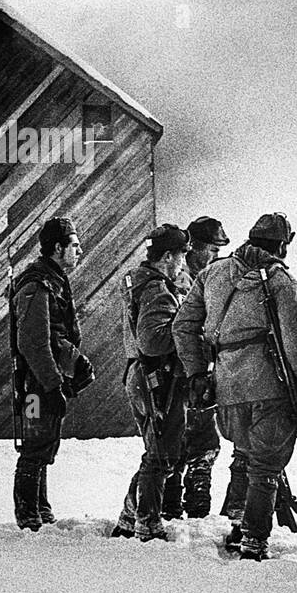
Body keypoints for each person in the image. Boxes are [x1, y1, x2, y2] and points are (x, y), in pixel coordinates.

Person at [172, 213, 297, 560]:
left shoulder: (212, 273)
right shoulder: (281, 281)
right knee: (265, 469)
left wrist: (198, 372)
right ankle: (254, 541)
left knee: (247, 456)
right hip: (269, 390)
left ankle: (241, 526)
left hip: (226, 392)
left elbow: (183, 325)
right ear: (283, 246)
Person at [10, 217, 93, 530]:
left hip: (44, 379)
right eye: (73, 245)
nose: (79, 250)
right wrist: (53, 384)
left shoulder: (52, 278)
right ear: (58, 248)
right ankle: (28, 515)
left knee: (44, 442)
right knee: (34, 445)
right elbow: (32, 342)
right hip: (36, 383)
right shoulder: (38, 282)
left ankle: (40, 509)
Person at [113, 224, 190, 541]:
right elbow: (153, 341)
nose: (183, 264)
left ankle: (131, 516)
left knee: (158, 450)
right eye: (182, 256)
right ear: (169, 256)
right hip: (157, 379)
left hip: (141, 377)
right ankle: (147, 522)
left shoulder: (138, 282)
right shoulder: (157, 289)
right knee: (160, 455)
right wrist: (184, 322)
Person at [162, 215, 231, 520]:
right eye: (212, 251)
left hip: (191, 373)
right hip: (183, 375)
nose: (216, 258)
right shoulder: (183, 282)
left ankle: (180, 505)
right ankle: (182, 506)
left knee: (190, 441)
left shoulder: (198, 280)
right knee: (197, 442)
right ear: (196, 249)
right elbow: (183, 328)